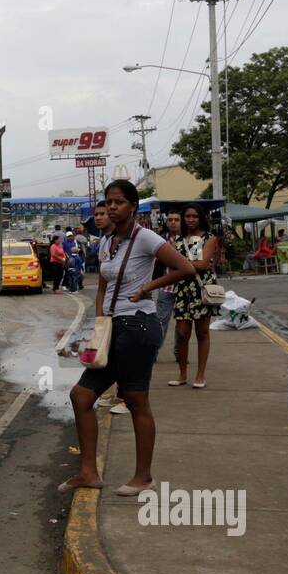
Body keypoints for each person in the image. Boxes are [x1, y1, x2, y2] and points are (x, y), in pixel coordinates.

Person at [63, 180, 196, 495]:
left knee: (136, 401)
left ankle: (144, 477)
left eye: (118, 202)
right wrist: (99, 323)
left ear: (133, 206)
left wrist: (147, 287)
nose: (111, 207)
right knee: (81, 396)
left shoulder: (146, 238)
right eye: (108, 201)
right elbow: (103, 285)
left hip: (138, 325)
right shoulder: (109, 240)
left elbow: (185, 267)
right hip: (112, 327)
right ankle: (88, 472)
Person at [169, 203, 218, 389]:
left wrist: (182, 263)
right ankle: (182, 374)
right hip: (182, 289)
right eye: (187, 216)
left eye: (195, 216)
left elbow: (203, 264)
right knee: (181, 334)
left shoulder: (210, 238)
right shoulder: (178, 239)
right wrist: (186, 264)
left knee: (202, 332)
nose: (191, 219)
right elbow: (171, 264)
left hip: (201, 287)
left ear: (201, 218)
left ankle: (200, 375)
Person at [152, 211, 182, 355]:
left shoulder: (190, 239)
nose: (173, 222)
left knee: (182, 325)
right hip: (166, 286)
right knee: (160, 321)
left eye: (176, 219)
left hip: (185, 288)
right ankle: (154, 353)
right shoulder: (160, 240)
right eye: (170, 219)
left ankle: (180, 353)